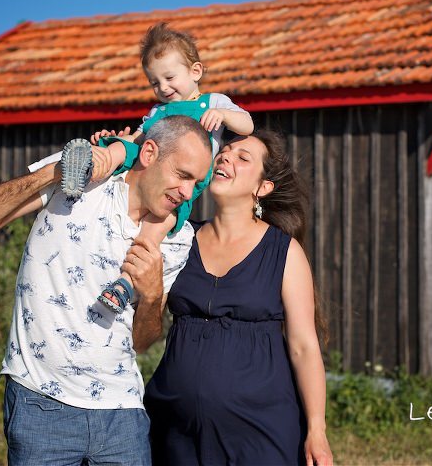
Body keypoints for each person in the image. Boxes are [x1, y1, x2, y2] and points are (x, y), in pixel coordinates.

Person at [0, 115, 212, 466]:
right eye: (182, 175)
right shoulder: (81, 174)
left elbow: (143, 341)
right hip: (41, 404)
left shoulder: (178, 237)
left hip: (123, 415)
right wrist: (55, 173)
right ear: (149, 153)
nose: (187, 192)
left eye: (196, 184)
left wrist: (151, 295)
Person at [133, 128, 334, 465]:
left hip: (260, 433)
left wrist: (317, 429)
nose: (225, 157)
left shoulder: (284, 252)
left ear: (262, 188)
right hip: (177, 432)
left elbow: (304, 346)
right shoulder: (181, 238)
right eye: (225, 152)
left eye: (243, 158)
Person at [59, 22, 255, 314]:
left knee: (158, 225)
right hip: (150, 166)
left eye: (169, 77)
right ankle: (91, 166)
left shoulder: (211, 102)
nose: (163, 88)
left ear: (195, 72)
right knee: (122, 146)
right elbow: (138, 138)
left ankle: (124, 283)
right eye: (154, 82)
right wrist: (113, 142)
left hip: (181, 184)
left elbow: (248, 124)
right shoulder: (157, 112)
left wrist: (223, 114)